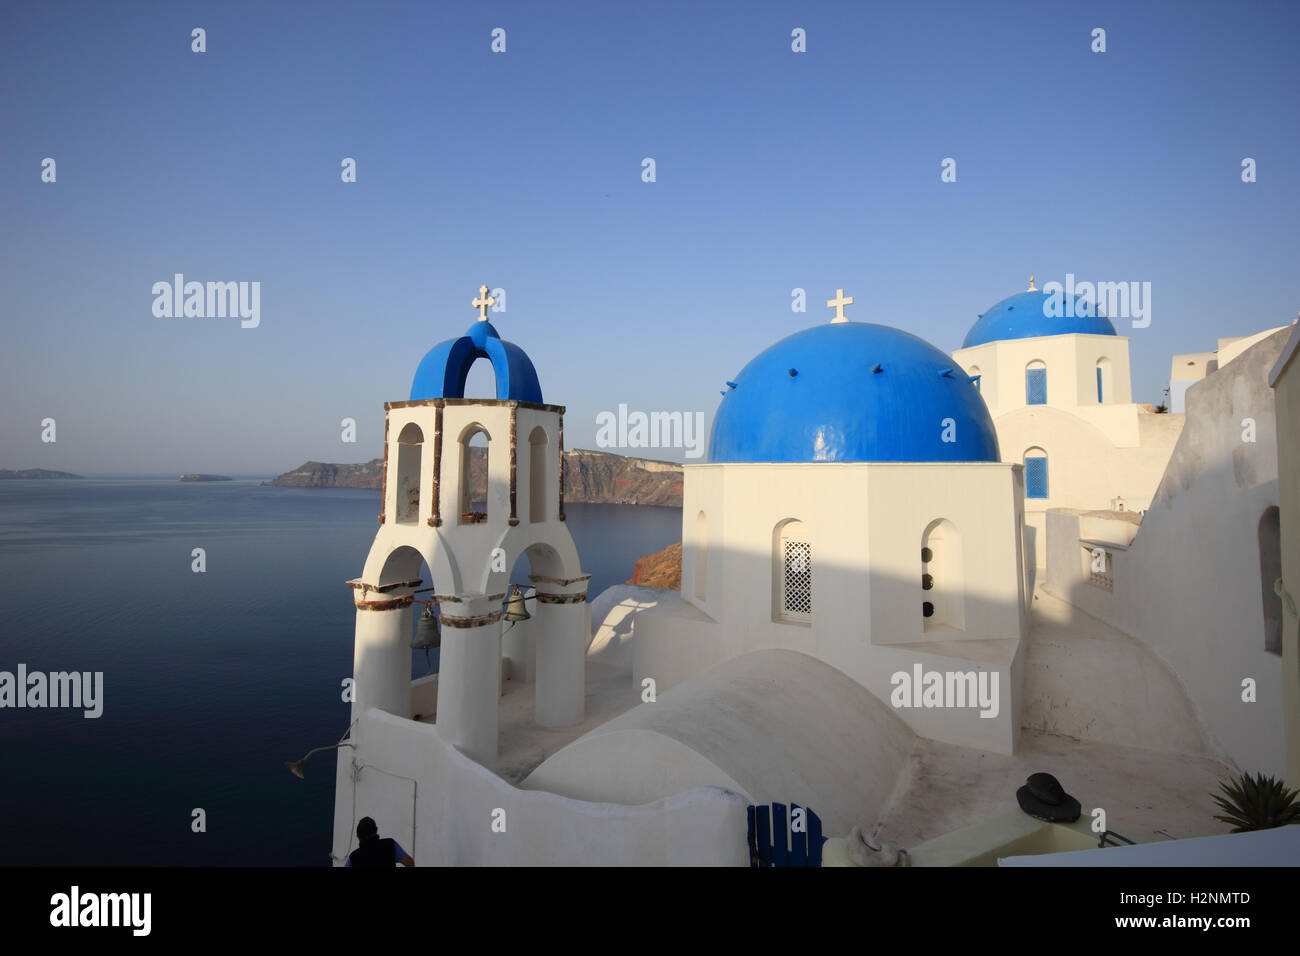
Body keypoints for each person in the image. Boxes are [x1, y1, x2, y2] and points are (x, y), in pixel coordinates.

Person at [345, 816, 414, 867]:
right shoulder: (390, 845)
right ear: (376, 830)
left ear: (358, 836)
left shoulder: (353, 858)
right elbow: (409, 862)